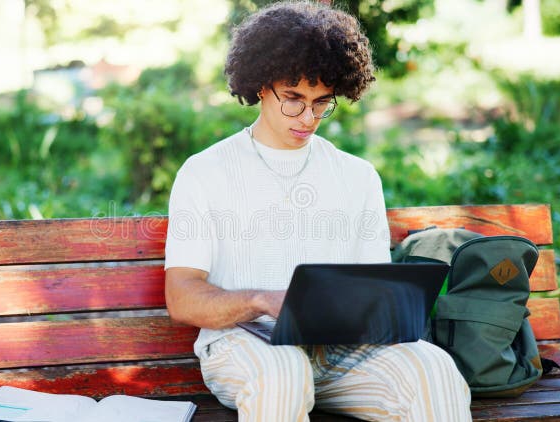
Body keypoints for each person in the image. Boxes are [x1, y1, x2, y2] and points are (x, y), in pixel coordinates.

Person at [164, 1, 472, 420]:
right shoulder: (205, 172)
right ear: (259, 85)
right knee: (284, 374)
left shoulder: (358, 176)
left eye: (322, 102)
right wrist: (262, 300)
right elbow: (181, 296)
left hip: (342, 352)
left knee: (433, 368)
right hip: (243, 344)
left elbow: (373, 287)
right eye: (293, 99)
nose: (307, 117)